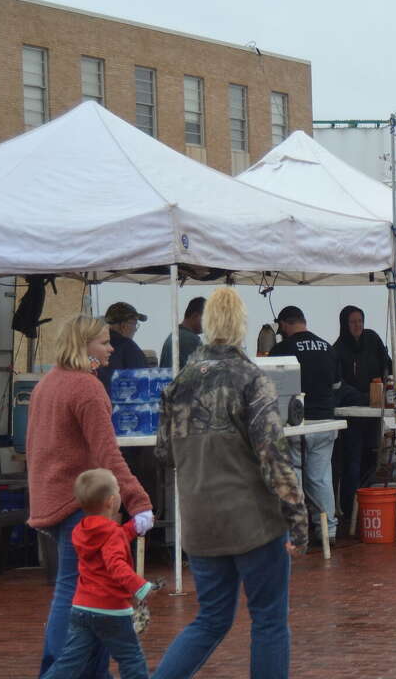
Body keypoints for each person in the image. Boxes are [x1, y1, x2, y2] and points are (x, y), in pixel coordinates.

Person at [153, 287, 308, 679]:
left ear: (205, 325)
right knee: (269, 621)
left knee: (210, 620)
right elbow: (274, 456)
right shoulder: (251, 379)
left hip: (200, 522)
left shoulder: (179, 384)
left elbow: (164, 454)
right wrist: (297, 516)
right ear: (241, 325)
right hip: (252, 522)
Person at [28, 314, 153, 679]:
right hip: (79, 502)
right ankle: (55, 670)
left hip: (53, 499)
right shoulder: (86, 387)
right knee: (75, 592)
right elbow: (107, 453)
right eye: (103, 341)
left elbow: (36, 446)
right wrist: (139, 500)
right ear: (84, 346)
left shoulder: (48, 383)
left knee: (91, 594)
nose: (111, 346)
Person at [41, 470, 155, 679]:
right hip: (111, 610)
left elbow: (109, 538)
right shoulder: (114, 534)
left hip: (81, 608)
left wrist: (133, 527)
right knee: (131, 658)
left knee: (71, 660)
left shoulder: (79, 531)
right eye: (118, 490)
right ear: (112, 501)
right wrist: (140, 587)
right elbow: (115, 563)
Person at [270, 305, 339, 542]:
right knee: (321, 478)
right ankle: (328, 530)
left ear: (284, 324)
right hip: (326, 421)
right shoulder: (327, 347)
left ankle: (298, 534)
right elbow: (337, 384)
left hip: (297, 424)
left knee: (295, 477)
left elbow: (269, 387)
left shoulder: (283, 348)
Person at [333, 305, 391, 532]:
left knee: (372, 457)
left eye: (360, 321)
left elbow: (386, 364)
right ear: (345, 325)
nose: (357, 326)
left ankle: (367, 506)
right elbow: (339, 385)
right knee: (352, 463)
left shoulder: (373, 339)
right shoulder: (338, 349)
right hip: (352, 414)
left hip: (373, 413)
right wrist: (363, 397)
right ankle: (349, 510)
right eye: (353, 322)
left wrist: (386, 385)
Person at [95, 302, 148, 395]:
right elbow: (143, 383)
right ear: (123, 326)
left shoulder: (94, 345)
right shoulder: (130, 348)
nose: (135, 329)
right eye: (135, 324)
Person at [159, 297, 205, 370]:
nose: (208, 323)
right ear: (195, 316)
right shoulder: (191, 340)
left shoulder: (174, 335)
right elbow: (202, 373)